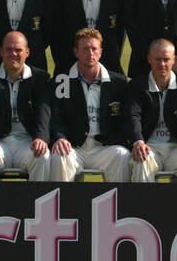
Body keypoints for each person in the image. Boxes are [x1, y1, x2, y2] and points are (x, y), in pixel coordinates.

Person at [48, 29, 132, 182]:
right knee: (59, 155)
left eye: (94, 49)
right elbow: (56, 116)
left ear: (100, 52)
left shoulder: (118, 82)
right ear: (76, 52)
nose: (90, 53)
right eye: (85, 49)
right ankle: (63, 205)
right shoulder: (63, 80)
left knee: (122, 155)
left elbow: (125, 119)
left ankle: (120, 205)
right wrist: (59, 138)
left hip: (104, 148)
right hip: (74, 148)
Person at [0, 31, 54, 181]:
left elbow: (43, 112)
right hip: (0, 140)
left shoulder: (40, 78)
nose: (13, 54)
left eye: (18, 50)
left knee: (42, 156)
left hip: (28, 141)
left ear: (27, 52)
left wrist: (41, 138)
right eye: (8, 49)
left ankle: (37, 203)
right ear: (1, 52)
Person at [127, 39, 177, 182]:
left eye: (166, 59)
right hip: (149, 146)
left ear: (174, 60)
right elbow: (133, 115)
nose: (162, 64)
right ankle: (143, 205)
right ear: (149, 59)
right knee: (141, 158)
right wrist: (138, 142)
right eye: (157, 59)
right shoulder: (137, 85)